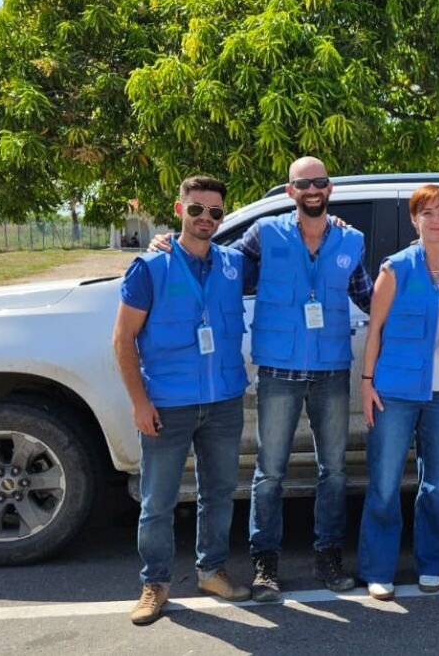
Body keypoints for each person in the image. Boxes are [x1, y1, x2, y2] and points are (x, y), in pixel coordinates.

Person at [146, 157, 372, 600]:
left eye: (320, 182)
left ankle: (328, 556)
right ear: (290, 191)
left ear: (330, 188)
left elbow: (370, 297)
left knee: (334, 471)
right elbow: (217, 266)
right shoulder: (264, 233)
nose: (312, 189)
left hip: (331, 371)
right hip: (278, 373)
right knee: (269, 473)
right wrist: (169, 243)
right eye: (303, 183)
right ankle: (265, 563)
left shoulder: (350, 239)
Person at [112, 176, 257, 625]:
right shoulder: (151, 267)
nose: (205, 219)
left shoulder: (233, 263)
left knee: (219, 493)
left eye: (215, 212)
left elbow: (296, 246)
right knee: (158, 501)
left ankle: (212, 571)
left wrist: (332, 220)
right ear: (179, 211)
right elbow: (123, 339)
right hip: (167, 404)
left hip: (223, 401)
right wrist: (139, 403)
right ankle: (155, 583)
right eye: (196, 209)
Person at [357, 184, 439, 600]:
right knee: (384, 484)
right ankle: (378, 569)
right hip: (395, 393)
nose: (436, 220)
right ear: (414, 220)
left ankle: (431, 564)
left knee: (436, 484)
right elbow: (374, 331)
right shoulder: (396, 268)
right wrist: (366, 384)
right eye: (427, 213)